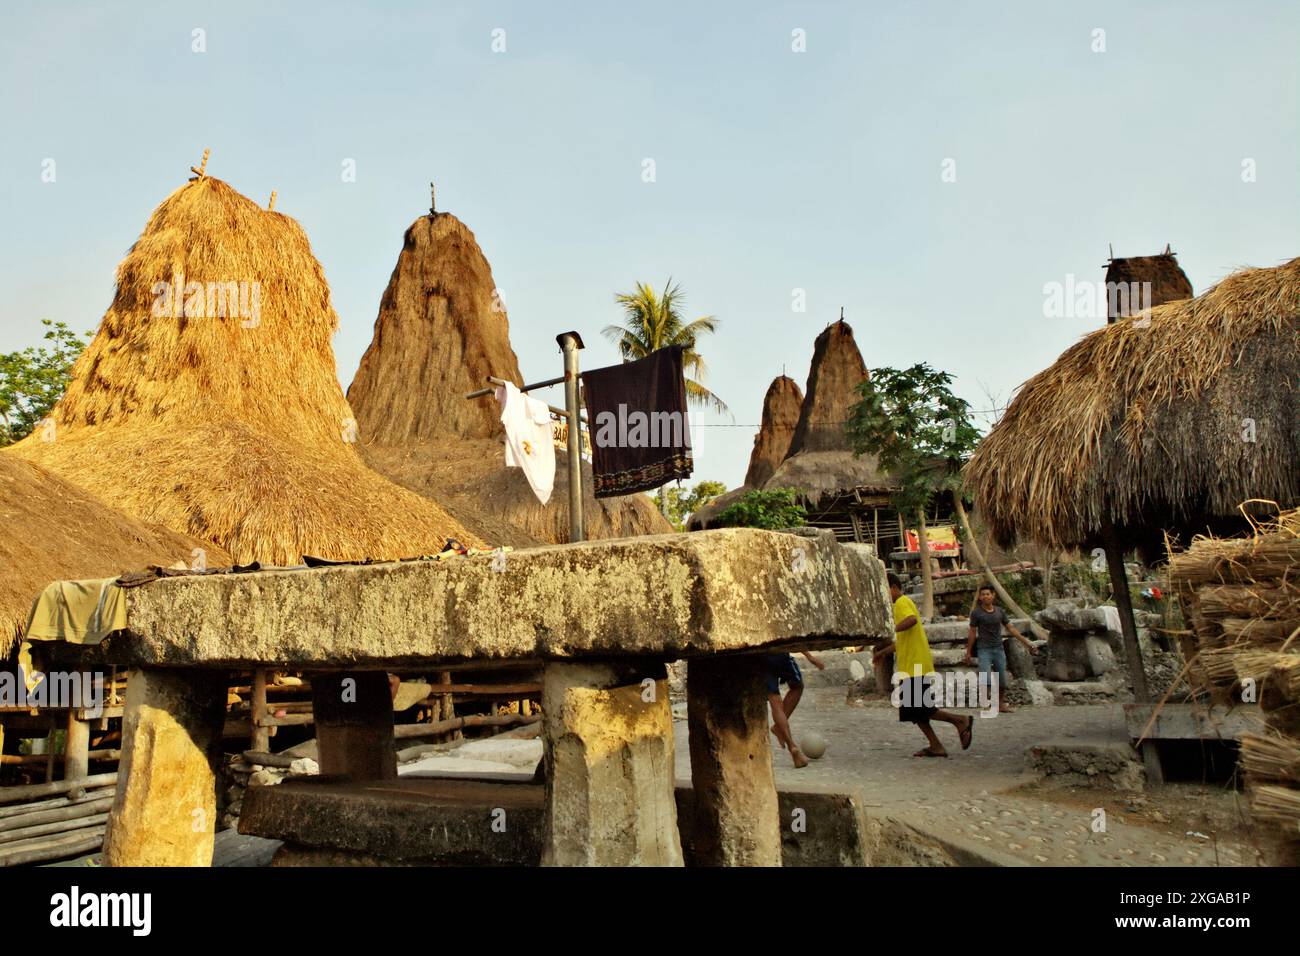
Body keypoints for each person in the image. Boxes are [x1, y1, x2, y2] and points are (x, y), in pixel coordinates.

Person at [875, 572, 973, 757]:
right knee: (913, 711)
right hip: (910, 666)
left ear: (894, 588)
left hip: (916, 666)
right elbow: (902, 641)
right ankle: (936, 745)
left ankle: (960, 720)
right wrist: (883, 652)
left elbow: (911, 620)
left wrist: (889, 628)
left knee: (922, 709)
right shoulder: (899, 606)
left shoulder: (902, 603)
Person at [964, 583, 1037, 714]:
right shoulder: (976, 613)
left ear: (993, 596)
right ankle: (986, 703)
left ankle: (1000, 704)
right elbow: (972, 632)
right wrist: (968, 652)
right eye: (983, 594)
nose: (985, 596)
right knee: (985, 676)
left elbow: (1011, 628)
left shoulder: (999, 611)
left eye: (988, 594)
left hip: (998, 648)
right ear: (980, 597)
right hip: (984, 649)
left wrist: (1027, 642)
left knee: (1002, 678)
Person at [765, 651, 825, 768]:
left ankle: (791, 745)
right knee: (797, 686)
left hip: (762, 658)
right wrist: (809, 656)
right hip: (780, 655)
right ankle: (781, 732)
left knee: (775, 702)